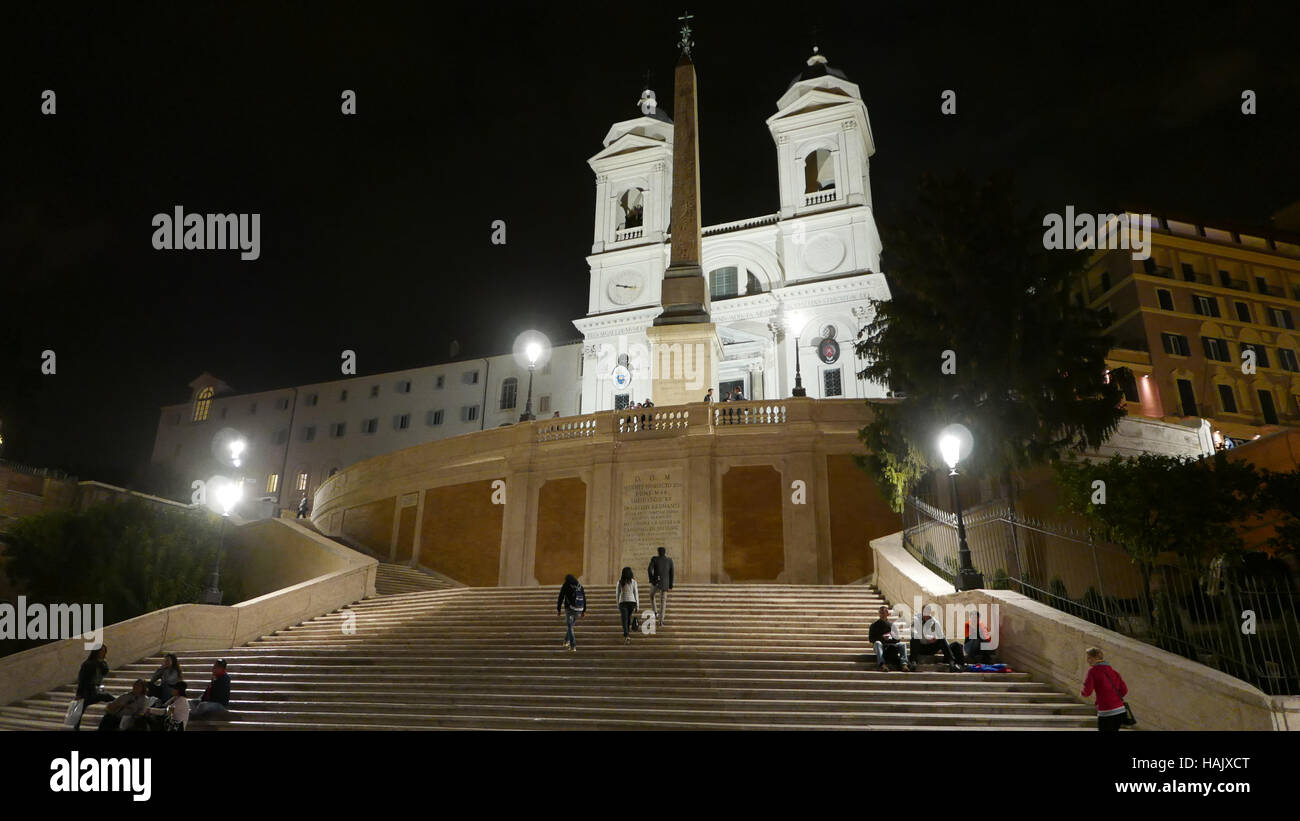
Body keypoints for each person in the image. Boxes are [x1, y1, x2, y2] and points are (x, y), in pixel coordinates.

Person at [1081, 647, 1129, 731]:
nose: (1087, 660)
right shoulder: (1113, 671)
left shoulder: (1093, 671)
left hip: (1106, 711)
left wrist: (1083, 693)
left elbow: (1087, 691)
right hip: (1120, 711)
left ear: (1095, 658)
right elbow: (1124, 690)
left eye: (1089, 658)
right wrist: (1114, 698)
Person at [73, 645, 114, 731]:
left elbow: (105, 671)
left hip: (95, 689)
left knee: (108, 697)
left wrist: (102, 663)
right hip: (87, 690)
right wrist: (79, 694)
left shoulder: (102, 663)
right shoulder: (88, 664)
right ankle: (76, 727)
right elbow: (82, 679)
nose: (102, 653)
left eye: (104, 651)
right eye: (101, 651)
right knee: (81, 708)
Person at [910, 605, 962, 671]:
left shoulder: (935, 622)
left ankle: (952, 662)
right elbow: (912, 632)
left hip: (931, 647)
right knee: (914, 639)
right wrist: (926, 638)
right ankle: (913, 662)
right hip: (920, 647)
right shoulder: (916, 619)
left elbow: (941, 635)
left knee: (941, 639)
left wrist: (935, 639)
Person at [868, 606, 911, 672]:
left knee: (903, 644)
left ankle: (904, 664)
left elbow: (897, 639)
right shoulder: (874, 625)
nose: (882, 614)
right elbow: (871, 639)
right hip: (880, 646)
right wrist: (882, 637)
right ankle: (882, 664)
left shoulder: (892, 625)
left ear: (887, 614)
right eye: (880, 613)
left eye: (883, 613)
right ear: (879, 614)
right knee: (877, 643)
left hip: (891, 646)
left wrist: (890, 637)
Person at [557, 574, 586, 651]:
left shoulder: (566, 585)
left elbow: (561, 597)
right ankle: (566, 641)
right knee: (570, 626)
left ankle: (573, 645)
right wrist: (584, 610)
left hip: (569, 608)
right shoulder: (579, 586)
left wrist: (559, 609)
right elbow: (584, 598)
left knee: (570, 626)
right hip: (578, 609)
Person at [647, 547, 674, 626]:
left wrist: (652, 579)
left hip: (656, 582)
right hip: (665, 584)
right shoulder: (669, 560)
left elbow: (649, 569)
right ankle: (661, 621)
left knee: (651, 595)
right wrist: (671, 584)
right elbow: (672, 574)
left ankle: (655, 612)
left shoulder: (654, 559)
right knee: (663, 602)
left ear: (658, 552)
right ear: (665, 552)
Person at [616, 567, 640, 643]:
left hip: (623, 602)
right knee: (628, 618)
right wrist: (637, 605)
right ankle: (627, 634)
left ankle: (626, 635)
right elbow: (636, 594)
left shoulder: (620, 582)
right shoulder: (633, 582)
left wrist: (617, 603)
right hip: (631, 602)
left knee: (624, 619)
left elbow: (618, 594)